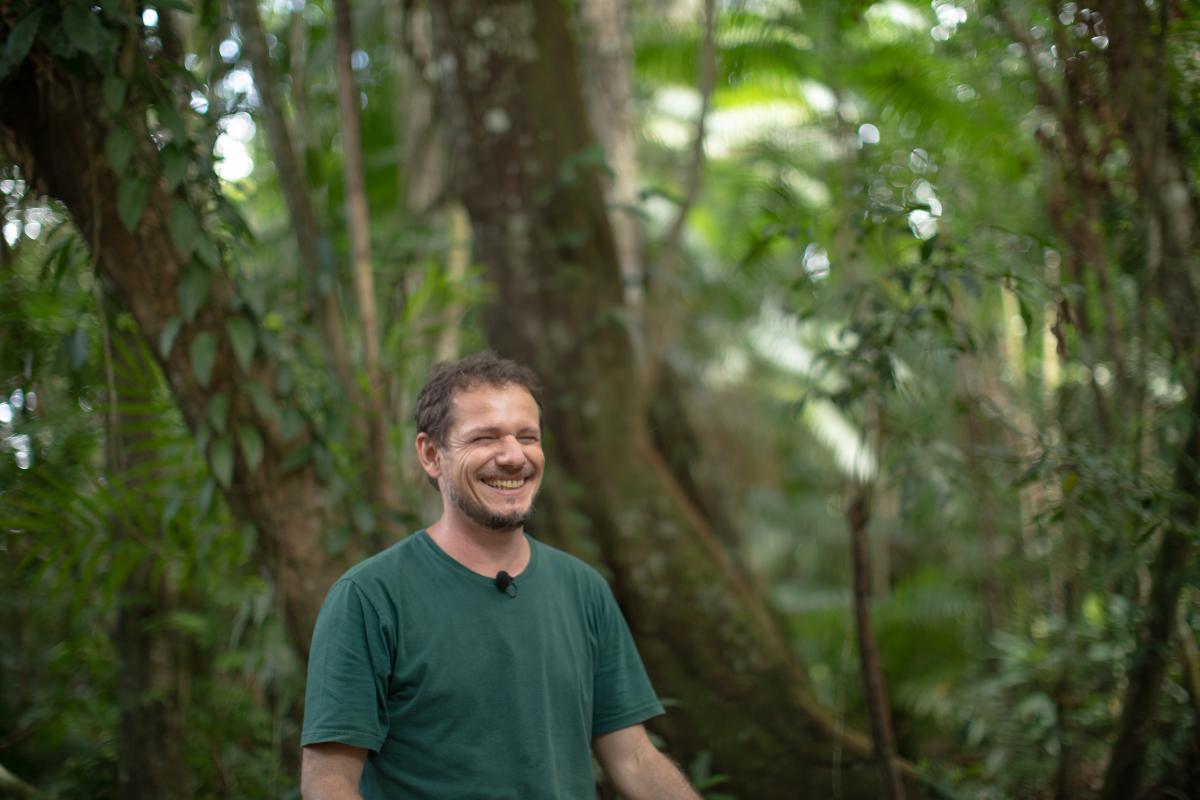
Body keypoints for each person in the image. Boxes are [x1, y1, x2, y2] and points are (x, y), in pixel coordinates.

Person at [300, 352, 700, 799]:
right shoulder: (370, 596)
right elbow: (328, 783)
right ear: (432, 455)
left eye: (528, 436)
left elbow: (635, 757)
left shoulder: (583, 589)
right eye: (485, 438)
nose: (514, 457)